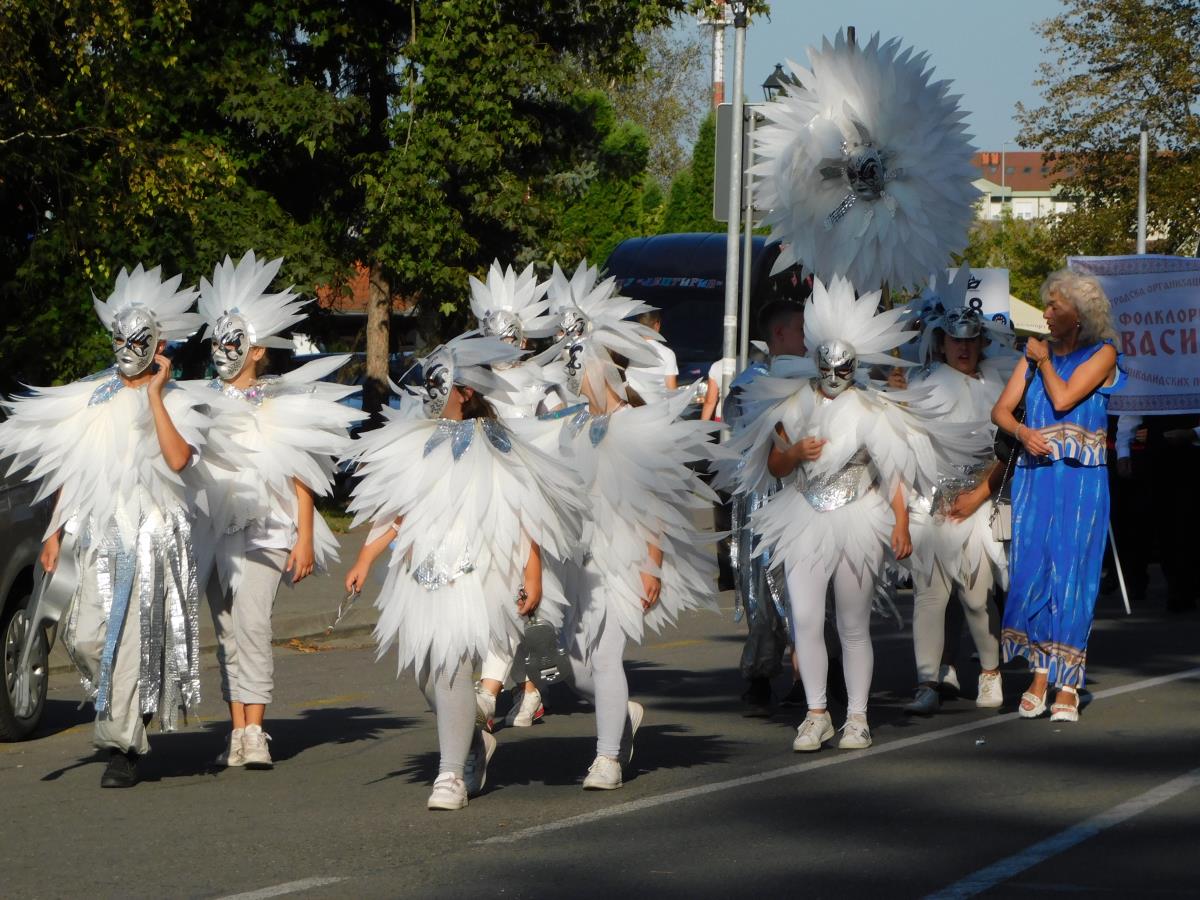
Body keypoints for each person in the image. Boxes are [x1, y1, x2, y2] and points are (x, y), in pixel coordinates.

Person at [718, 276, 985, 753]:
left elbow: (894, 470)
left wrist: (901, 522)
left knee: (851, 624)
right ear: (816, 361)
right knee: (803, 618)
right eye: (828, 366)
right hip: (803, 516)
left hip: (858, 516)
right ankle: (816, 712)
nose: (835, 375)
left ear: (854, 364)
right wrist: (796, 451)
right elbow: (773, 464)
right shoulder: (791, 402)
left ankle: (857, 716)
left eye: (844, 367)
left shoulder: (873, 408)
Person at [344, 334, 583, 810]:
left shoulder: (494, 442)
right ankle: (473, 743)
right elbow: (395, 509)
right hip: (420, 573)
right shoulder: (418, 441)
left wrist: (532, 570)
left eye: (442, 383)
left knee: (453, 667)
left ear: (465, 390)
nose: (431, 392)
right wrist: (365, 558)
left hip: (477, 568)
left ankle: (449, 775)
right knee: (428, 675)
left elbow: (522, 510)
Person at [0, 265, 208, 787]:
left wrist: (157, 395)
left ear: (156, 344)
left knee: (132, 639)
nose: (125, 347)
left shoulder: (178, 399)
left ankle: (123, 746)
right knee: (88, 638)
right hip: (96, 534)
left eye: (136, 339)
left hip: (150, 535)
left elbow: (180, 459)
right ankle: (126, 704)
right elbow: (75, 469)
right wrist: (52, 533)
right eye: (118, 337)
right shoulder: (92, 396)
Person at [537, 260, 720, 790]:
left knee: (606, 653)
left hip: (628, 555)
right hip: (580, 558)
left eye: (583, 367)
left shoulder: (637, 424)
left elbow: (658, 500)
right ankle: (623, 716)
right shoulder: (568, 426)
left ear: (606, 368)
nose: (575, 376)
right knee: (572, 669)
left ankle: (607, 759)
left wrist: (653, 565)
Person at [186, 251, 363, 769]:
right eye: (217, 341)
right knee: (225, 631)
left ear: (258, 349)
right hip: (212, 529)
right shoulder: (197, 400)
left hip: (266, 527)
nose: (223, 351)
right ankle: (238, 729)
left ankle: (258, 731)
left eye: (233, 342)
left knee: (252, 622)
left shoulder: (279, 400)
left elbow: (300, 472)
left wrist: (305, 536)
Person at [991, 269, 1123, 723]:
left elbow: (1065, 398)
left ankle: (1067, 682)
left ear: (1080, 314)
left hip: (1081, 480)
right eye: (1046, 306)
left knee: (1073, 571)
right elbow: (1001, 410)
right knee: (1034, 569)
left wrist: (1043, 362)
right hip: (1036, 474)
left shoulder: (1103, 353)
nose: (1045, 314)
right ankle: (1040, 673)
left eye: (1054, 307)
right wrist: (1023, 432)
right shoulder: (1031, 357)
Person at [901, 266, 1016, 716]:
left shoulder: (999, 385)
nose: (963, 348)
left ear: (981, 344)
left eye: (971, 341)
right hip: (931, 503)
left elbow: (1007, 447)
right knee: (929, 596)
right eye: (955, 341)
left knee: (974, 594)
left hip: (981, 500)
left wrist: (978, 496)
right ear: (942, 343)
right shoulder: (921, 387)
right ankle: (927, 679)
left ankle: (990, 672)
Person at [465, 260, 560, 730]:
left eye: (507, 335)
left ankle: (488, 691)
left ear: (523, 339)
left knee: (515, 593)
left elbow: (562, 439)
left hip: (528, 500)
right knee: (498, 597)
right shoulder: (471, 384)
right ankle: (531, 687)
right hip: (483, 500)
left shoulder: (542, 385)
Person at [724, 303, 807, 708]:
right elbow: (743, 444)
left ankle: (808, 673)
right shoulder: (749, 383)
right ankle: (760, 672)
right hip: (762, 498)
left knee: (804, 587)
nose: (809, 339)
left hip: (803, 496)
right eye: (802, 331)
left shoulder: (815, 378)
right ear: (780, 336)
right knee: (762, 586)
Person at [623, 308, 678, 404]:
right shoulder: (667, 354)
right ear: (657, 325)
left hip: (633, 408)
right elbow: (671, 391)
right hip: (658, 410)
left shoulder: (628, 351)